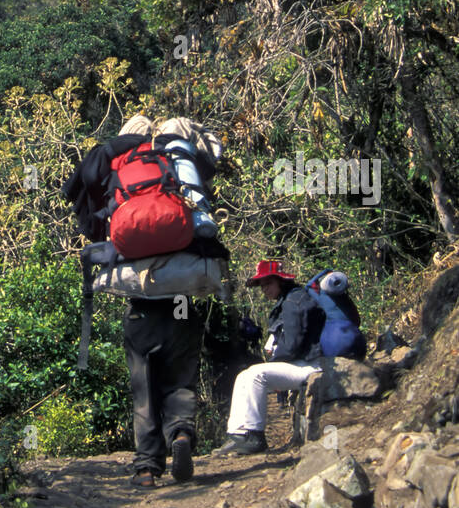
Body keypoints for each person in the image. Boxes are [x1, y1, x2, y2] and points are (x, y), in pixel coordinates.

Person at [63, 114, 224, 488]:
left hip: (140, 301)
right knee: (181, 377)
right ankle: (181, 434)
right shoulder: (173, 164)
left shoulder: (116, 169)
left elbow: (90, 225)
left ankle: (148, 468)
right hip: (182, 295)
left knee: (144, 386)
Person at [215, 258, 326, 456]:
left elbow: (292, 345)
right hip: (304, 362)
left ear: (281, 281)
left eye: (268, 283)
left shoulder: (294, 302)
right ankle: (238, 435)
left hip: (312, 365)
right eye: (261, 285)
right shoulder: (290, 299)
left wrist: (274, 362)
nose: (264, 289)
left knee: (254, 376)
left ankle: (254, 437)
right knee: (245, 375)